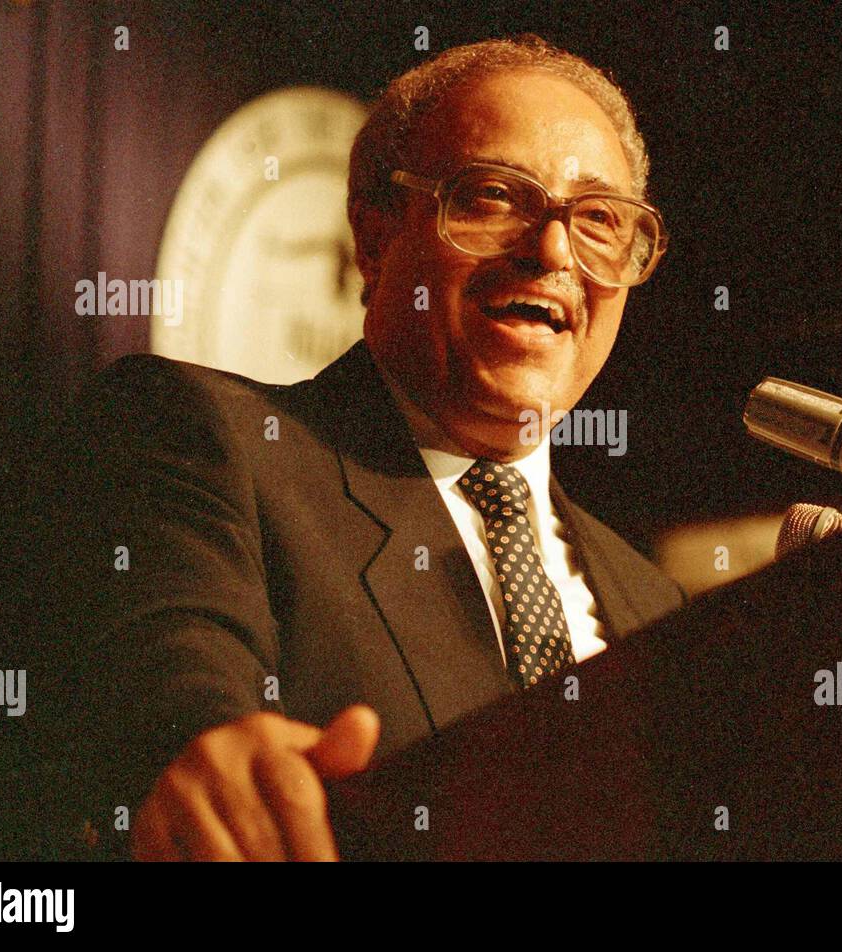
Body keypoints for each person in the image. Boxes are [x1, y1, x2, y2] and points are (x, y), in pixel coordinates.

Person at [51, 34, 684, 861]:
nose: (554, 252)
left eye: (599, 219)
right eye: (493, 197)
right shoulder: (213, 441)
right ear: (375, 238)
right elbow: (176, 663)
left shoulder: (656, 606)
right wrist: (202, 754)